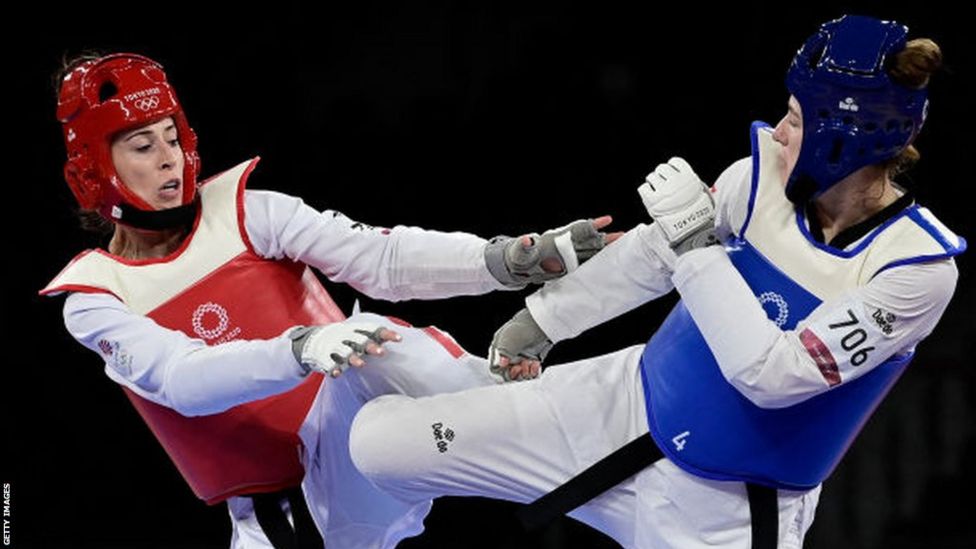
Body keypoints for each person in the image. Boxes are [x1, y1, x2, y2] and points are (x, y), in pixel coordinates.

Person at [348, 15, 967, 548]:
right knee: (381, 445)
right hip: (621, 407)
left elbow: (774, 377)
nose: (778, 130)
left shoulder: (915, 269)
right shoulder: (757, 178)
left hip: (728, 509)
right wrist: (541, 321)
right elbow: (655, 249)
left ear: (844, 138)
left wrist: (698, 250)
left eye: (798, 119)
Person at [40, 52, 620, 549]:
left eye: (173, 137)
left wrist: (504, 262)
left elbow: (381, 260)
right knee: (370, 351)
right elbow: (181, 382)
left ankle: (573, 420)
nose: (169, 159)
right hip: (289, 524)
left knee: (381, 345)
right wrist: (303, 346)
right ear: (95, 172)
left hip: (360, 457)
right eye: (143, 146)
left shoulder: (250, 213)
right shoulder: (95, 296)